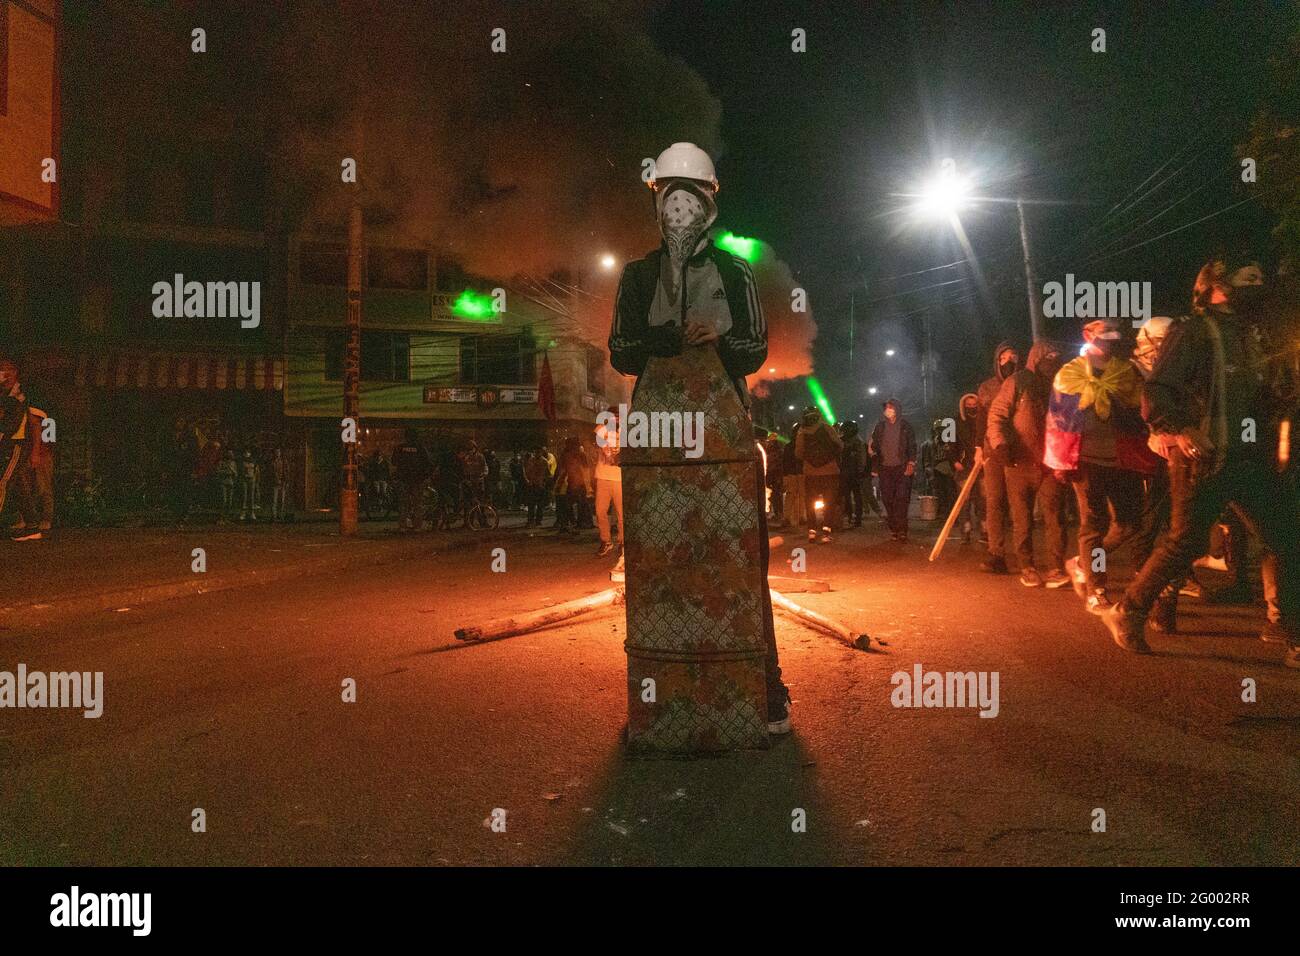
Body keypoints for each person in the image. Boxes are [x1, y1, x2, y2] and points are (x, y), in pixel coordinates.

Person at [607, 140, 791, 734]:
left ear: (709, 204)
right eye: (668, 196)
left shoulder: (735, 272)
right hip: (659, 446)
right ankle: (661, 707)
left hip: (725, 444)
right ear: (657, 202)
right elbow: (620, 351)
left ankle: (766, 696)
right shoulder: (637, 277)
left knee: (739, 567)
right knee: (660, 567)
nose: (678, 207)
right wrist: (659, 340)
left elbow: (755, 351)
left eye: (690, 197)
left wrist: (719, 338)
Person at [1102, 253, 1300, 667]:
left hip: (1247, 461)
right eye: (1248, 276)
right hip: (1202, 460)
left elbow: (1261, 396)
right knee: (1183, 543)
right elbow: (1157, 391)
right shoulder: (1192, 332)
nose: (1257, 282)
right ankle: (1129, 611)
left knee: (1284, 536)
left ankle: (1293, 635)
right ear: (1216, 284)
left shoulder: (1250, 336)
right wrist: (1179, 429)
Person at [1047, 318, 1162, 610]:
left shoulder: (1125, 372)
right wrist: (1059, 462)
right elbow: (1056, 421)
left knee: (1129, 524)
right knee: (1092, 527)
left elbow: (1141, 413)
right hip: (1085, 461)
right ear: (1088, 335)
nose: (1111, 338)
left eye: (1115, 334)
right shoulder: (1068, 374)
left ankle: (1081, 563)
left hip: (1122, 460)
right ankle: (1097, 589)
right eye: (1105, 333)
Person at [988, 339, 1069, 588]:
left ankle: (1056, 566)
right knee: (1022, 518)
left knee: (1055, 516)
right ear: (1037, 358)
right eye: (1048, 356)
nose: (1052, 361)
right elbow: (997, 415)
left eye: (1057, 356)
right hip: (1019, 462)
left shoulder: (1063, 384)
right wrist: (1000, 445)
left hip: (1051, 463)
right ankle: (1028, 566)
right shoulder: (1019, 382)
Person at [977, 342, 1020, 572]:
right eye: (1004, 357)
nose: (1009, 360)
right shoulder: (987, 387)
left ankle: (1025, 556)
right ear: (997, 360)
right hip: (992, 451)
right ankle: (997, 553)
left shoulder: (1025, 382)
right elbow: (982, 420)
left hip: (1019, 451)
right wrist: (977, 449)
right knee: (994, 502)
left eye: (1013, 356)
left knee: (1019, 504)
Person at [869, 398, 917, 541]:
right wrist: (873, 457)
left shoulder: (905, 426)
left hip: (902, 468)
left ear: (897, 409)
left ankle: (902, 529)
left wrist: (911, 463)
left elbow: (912, 446)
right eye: (886, 407)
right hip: (885, 468)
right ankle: (893, 527)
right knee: (887, 498)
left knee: (901, 499)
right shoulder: (879, 427)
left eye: (891, 407)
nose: (888, 410)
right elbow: (874, 446)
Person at [795, 405, 843, 543]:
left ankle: (812, 531)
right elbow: (840, 445)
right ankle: (826, 532)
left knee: (810, 503)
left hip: (810, 473)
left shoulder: (801, 431)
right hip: (830, 471)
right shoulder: (827, 428)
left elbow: (798, 453)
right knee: (829, 502)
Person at [593, 414, 623, 557]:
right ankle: (606, 541)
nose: (616, 420)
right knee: (600, 511)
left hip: (619, 478)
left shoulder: (627, 432)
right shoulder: (602, 430)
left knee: (621, 513)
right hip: (603, 477)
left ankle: (622, 542)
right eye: (613, 417)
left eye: (618, 418)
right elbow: (600, 439)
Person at [392, 429, 431, 532]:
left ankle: (402, 526)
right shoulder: (420, 448)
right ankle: (417, 526)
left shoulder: (400, 448)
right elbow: (427, 462)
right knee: (418, 503)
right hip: (417, 480)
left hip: (403, 479)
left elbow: (393, 461)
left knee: (403, 503)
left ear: (406, 437)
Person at [955, 392, 981, 543]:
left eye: (974, 405)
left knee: (982, 500)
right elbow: (947, 443)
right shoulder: (953, 421)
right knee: (964, 502)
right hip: (963, 467)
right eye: (968, 405)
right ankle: (965, 532)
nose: (971, 407)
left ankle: (984, 530)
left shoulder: (982, 421)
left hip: (981, 466)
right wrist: (954, 460)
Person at [839, 420, 866, 528]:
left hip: (849, 472)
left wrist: (860, 469)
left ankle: (852, 516)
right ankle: (855, 517)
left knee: (850, 496)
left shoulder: (855, 441)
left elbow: (861, 458)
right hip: (851, 472)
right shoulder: (857, 441)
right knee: (854, 496)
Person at [763, 430, 785, 523]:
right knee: (777, 496)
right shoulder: (779, 450)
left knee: (775, 496)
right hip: (777, 476)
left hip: (774, 476)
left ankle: (778, 514)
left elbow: (772, 466)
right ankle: (779, 513)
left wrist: (768, 478)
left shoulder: (772, 452)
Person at [523, 448, 548, 527]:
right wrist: (527, 480)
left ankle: (538, 520)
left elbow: (547, 474)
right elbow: (526, 471)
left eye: (538, 452)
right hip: (532, 484)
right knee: (531, 504)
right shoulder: (531, 460)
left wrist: (543, 482)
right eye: (536, 452)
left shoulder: (544, 461)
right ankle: (531, 520)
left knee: (539, 504)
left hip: (539, 485)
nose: (537, 454)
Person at [238, 448, 260, 521]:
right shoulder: (241, 461)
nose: (247, 453)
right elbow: (240, 471)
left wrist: (255, 479)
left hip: (252, 480)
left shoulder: (254, 461)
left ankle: (252, 513)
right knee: (244, 496)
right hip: (244, 480)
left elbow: (256, 470)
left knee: (251, 496)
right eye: (245, 452)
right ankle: (243, 513)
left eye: (248, 452)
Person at [217, 449, 237, 522]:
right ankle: (221, 518)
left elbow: (236, 473)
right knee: (224, 500)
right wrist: (226, 472)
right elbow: (218, 471)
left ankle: (226, 517)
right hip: (223, 482)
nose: (230, 455)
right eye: (229, 453)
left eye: (231, 454)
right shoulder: (221, 462)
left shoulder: (233, 463)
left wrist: (233, 473)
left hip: (230, 483)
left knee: (229, 501)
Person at [269, 448, 288, 521]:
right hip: (275, 483)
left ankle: (281, 515)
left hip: (282, 482)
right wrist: (276, 479)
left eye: (278, 452)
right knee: (274, 500)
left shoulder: (283, 461)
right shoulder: (272, 462)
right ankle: (274, 516)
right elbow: (271, 472)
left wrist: (285, 481)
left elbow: (286, 471)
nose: (277, 453)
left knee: (282, 500)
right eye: (276, 452)